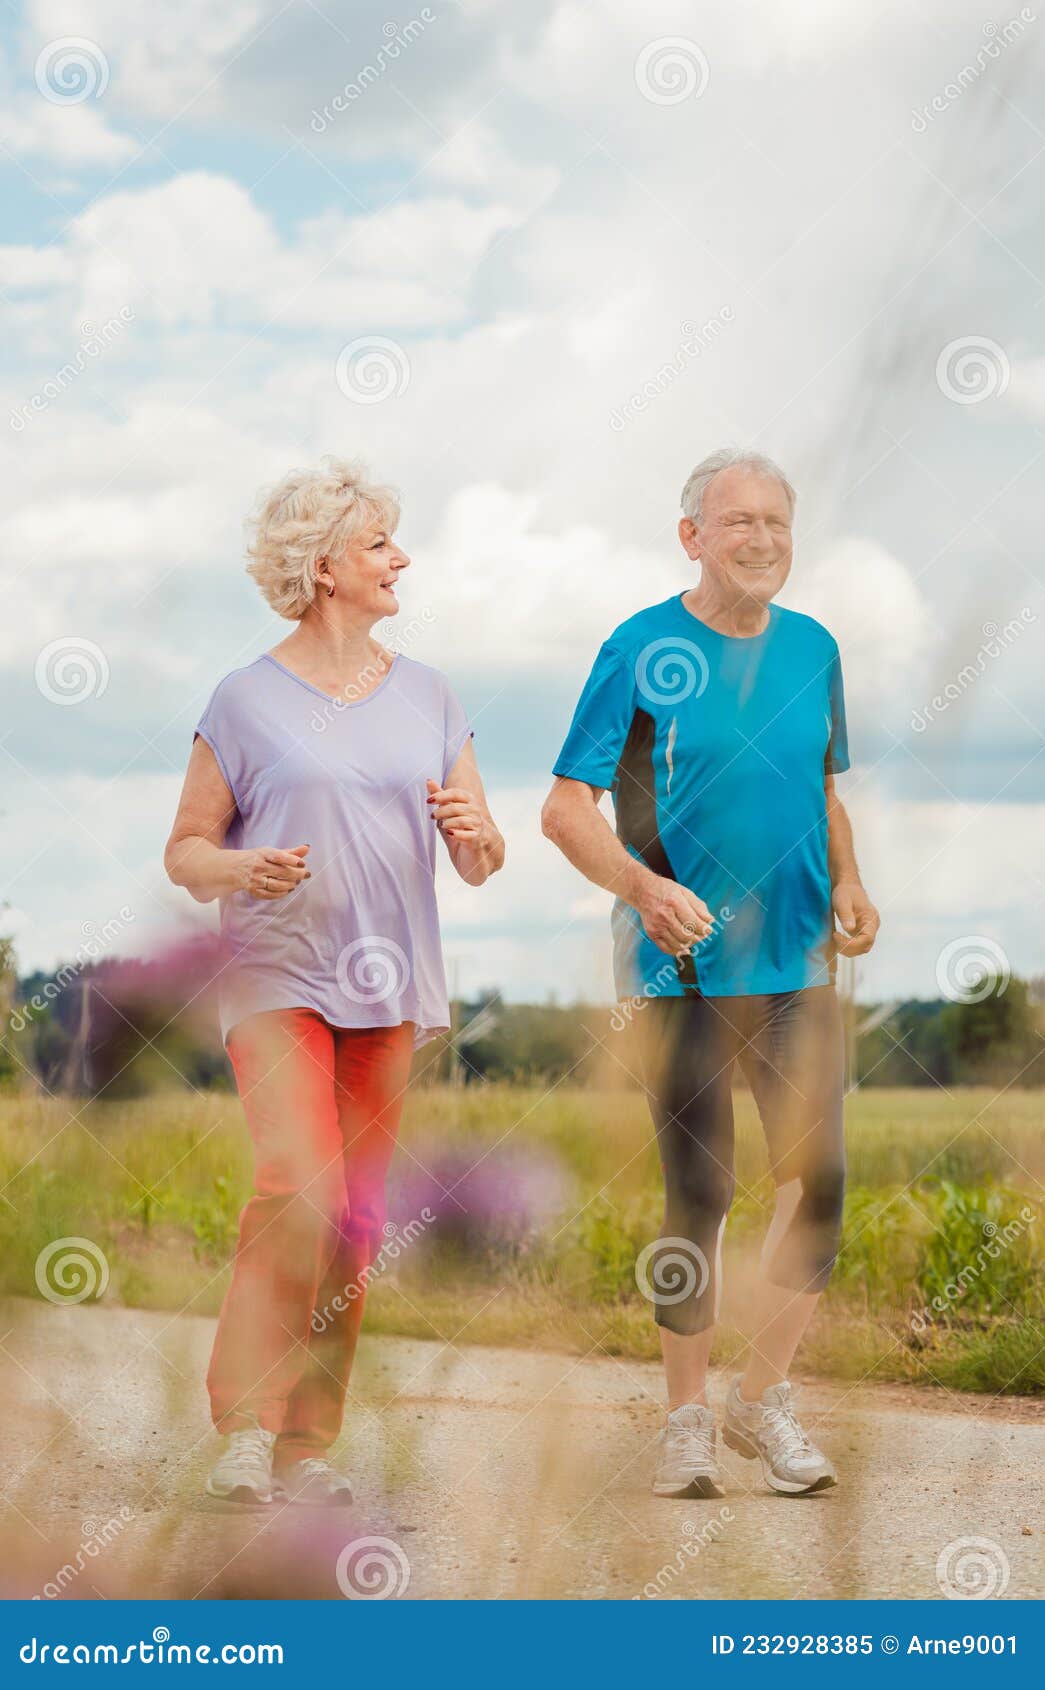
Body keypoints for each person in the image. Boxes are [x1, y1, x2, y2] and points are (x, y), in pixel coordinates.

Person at [164, 457, 504, 1506]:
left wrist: (476, 831)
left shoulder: (433, 695)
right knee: (298, 1185)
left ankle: (305, 1447)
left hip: (389, 984)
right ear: (322, 567)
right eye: (377, 544)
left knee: (353, 1212)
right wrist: (240, 867)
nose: (400, 558)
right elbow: (185, 853)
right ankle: (241, 1424)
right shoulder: (245, 699)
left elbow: (483, 857)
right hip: (274, 973)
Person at [541, 448, 879, 1498]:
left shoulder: (815, 647)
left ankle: (757, 1401)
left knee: (815, 1188)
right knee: (700, 1190)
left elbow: (821, 792)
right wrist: (643, 889)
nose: (763, 539)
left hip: (794, 964)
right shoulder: (640, 649)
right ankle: (683, 1419)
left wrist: (852, 883)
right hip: (677, 968)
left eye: (777, 522)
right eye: (739, 522)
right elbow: (564, 808)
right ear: (691, 535)